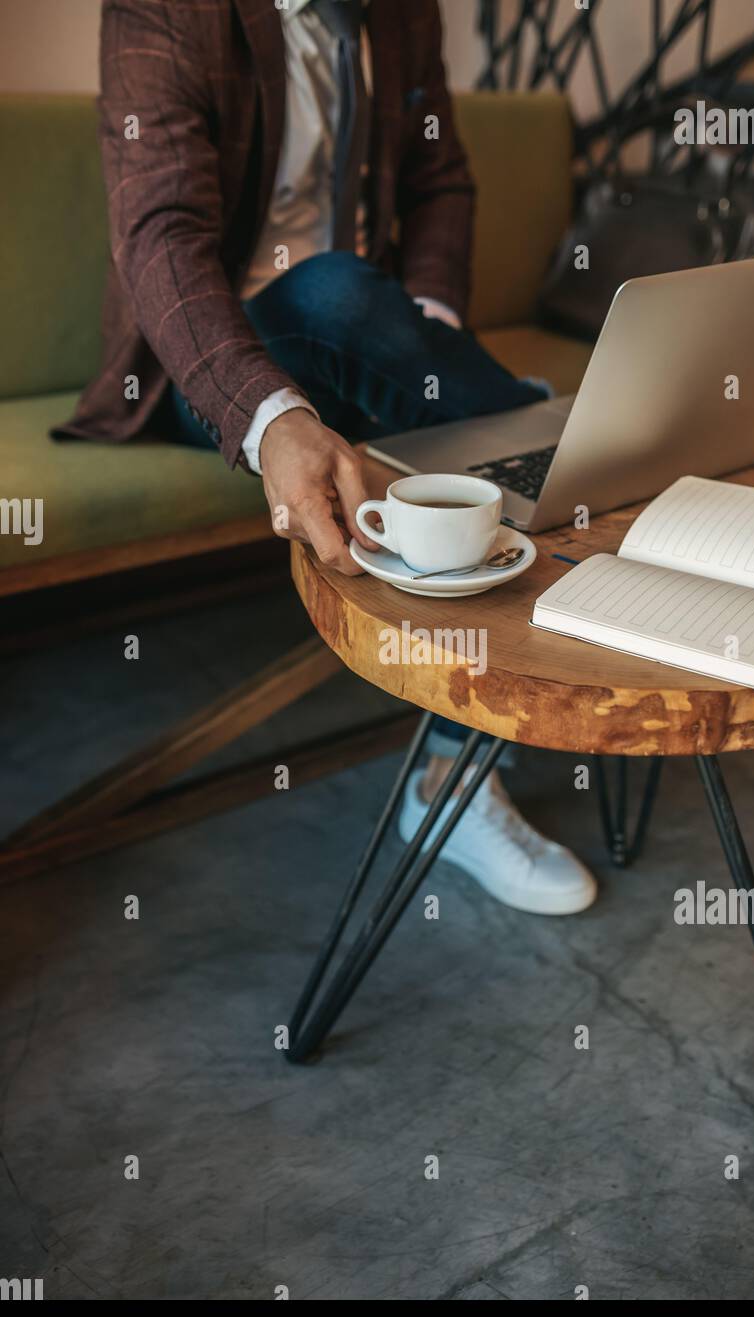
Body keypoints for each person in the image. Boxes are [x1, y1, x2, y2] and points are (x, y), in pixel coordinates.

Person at [57, 0, 596, 916]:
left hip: (374, 346)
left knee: (452, 455)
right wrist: (271, 419)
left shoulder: (399, 11)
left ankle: (447, 787)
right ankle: (573, 447)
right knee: (344, 300)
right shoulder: (167, 11)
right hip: (213, 362)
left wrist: (426, 337)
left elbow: (440, 181)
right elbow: (163, 236)